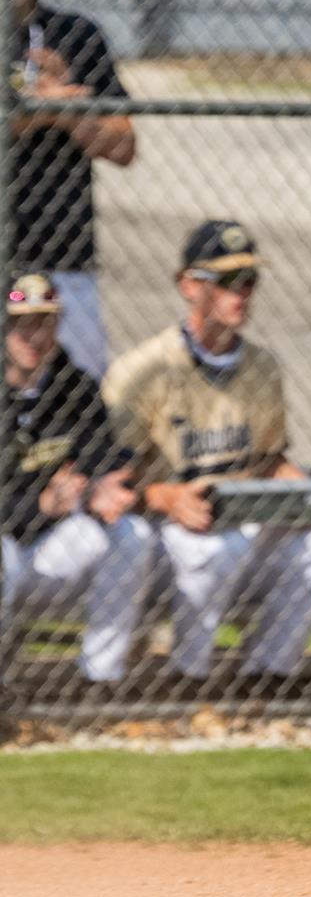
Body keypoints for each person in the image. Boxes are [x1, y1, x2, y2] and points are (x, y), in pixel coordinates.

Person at [90, 220, 311, 690]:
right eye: (227, 281)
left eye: (249, 281)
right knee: (215, 548)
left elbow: (269, 460)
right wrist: (167, 498)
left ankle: (266, 676)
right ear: (189, 286)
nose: (241, 294)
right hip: (164, 537)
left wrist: (307, 494)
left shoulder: (263, 366)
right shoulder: (144, 370)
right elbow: (112, 480)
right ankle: (186, 678)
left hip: (239, 526)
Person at [7, 0, 137, 378]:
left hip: (63, 255)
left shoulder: (74, 35)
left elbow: (124, 145)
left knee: (78, 394)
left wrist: (69, 113)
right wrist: (37, 110)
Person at [1, 273, 137, 677]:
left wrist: (94, 488)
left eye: (43, 322)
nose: (33, 336)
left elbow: (102, 455)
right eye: (21, 323)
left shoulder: (75, 387)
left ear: (58, 324)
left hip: (53, 548)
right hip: (7, 545)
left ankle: (101, 676)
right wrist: (39, 503)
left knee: (131, 535)